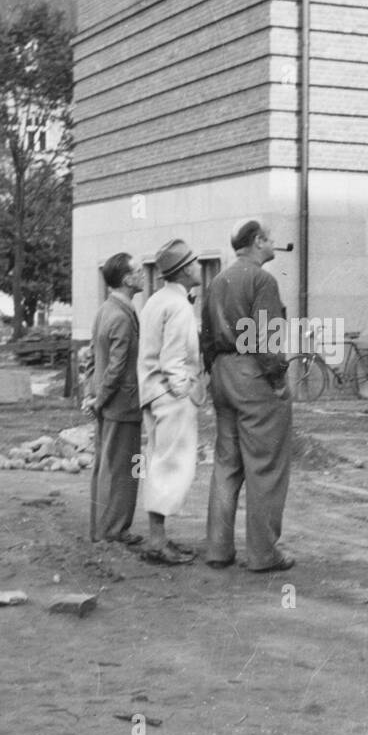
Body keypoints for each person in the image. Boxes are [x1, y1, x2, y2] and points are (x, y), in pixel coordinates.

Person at [200, 220, 294, 572]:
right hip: (253, 374)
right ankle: (264, 554)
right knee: (266, 467)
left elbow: (206, 335)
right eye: (270, 239)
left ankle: (218, 550)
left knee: (226, 466)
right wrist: (278, 379)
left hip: (222, 374)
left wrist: (215, 372)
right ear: (257, 242)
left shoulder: (218, 280)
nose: (274, 244)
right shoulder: (262, 280)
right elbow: (267, 337)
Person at [137, 239, 204, 565]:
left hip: (153, 392)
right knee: (171, 467)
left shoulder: (157, 300)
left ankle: (158, 537)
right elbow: (173, 357)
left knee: (159, 463)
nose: (199, 266)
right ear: (184, 269)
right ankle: (157, 542)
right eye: (194, 262)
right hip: (170, 394)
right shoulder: (178, 306)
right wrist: (184, 391)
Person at [88, 252, 145, 546]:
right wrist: (101, 398)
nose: (143, 275)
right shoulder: (122, 315)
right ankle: (114, 531)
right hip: (122, 404)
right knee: (123, 468)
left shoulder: (105, 310)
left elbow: (91, 357)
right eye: (138, 271)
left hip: (107, 402)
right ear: (126, 279)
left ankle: (102, 529)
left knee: (106, 465)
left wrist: (92, 394)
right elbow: (117, 366)